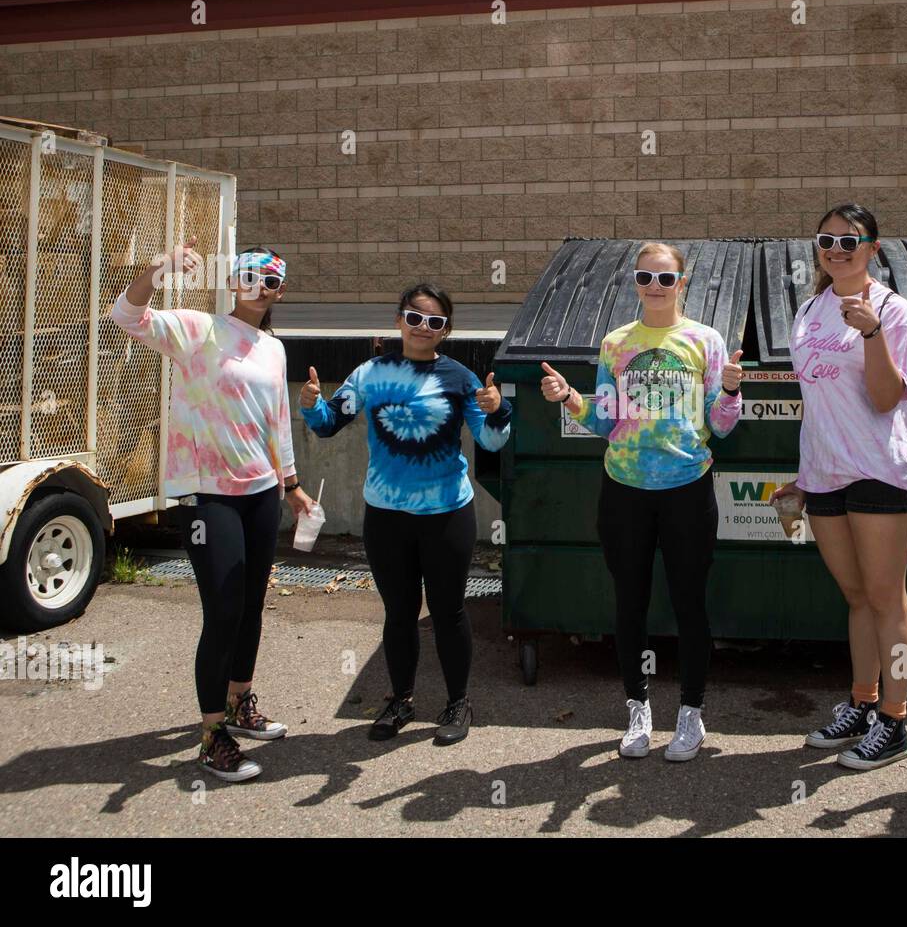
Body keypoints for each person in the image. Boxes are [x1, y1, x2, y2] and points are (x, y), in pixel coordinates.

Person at [112, 241, 315, 783]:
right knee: (223, 611)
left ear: (280, 291)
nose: (259, 287)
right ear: (234, 281)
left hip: (261, 493)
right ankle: (210, 736)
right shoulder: (199, 330)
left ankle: (239, 703)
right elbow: (126, 315)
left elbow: (277, 424)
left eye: (270, 281)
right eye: (249, 276)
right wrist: (155, 271)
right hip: (208, 493)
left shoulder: (273, 348)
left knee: (251, 607)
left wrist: (291, 486)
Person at [539, 242, 743, 761]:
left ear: (683, 283)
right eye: (645, 278)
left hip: (687, 487)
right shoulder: (616, 343)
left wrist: (732, 392)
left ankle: (691, 716)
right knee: (629, 603)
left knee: (689, 603)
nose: (655, 287)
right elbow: (605, 421)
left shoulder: (705, 340)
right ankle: (638, 708)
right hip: (625, 488)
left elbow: (720, 425)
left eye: (665, 278)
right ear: (634, 283)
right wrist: (569, 397)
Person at [300, 283, 510, 745]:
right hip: (386, 516)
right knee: (399, 612)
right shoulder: (370, 373)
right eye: (414, 318)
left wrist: (498, 410)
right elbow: (329, 424)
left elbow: (493, 441)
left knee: (449, 610)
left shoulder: (460, 378)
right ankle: (400, 700)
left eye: (434, 322)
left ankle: (458, 703)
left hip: (447, 514)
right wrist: (312, 404)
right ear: (398, 320)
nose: (422, 328)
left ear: (446, 331)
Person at [771, 203, 907, 771]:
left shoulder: (893, 310)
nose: (836, 250)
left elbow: (886, 399)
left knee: (888, 599)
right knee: (857, 597)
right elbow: (819, 400)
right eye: (826, 240)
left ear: (872, 249)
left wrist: (873, 333)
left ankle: (896, 718)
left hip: (882, 469)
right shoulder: (809, 308)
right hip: (826, 472)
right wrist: (806, 475)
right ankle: (863, 705)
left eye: (849, 241)